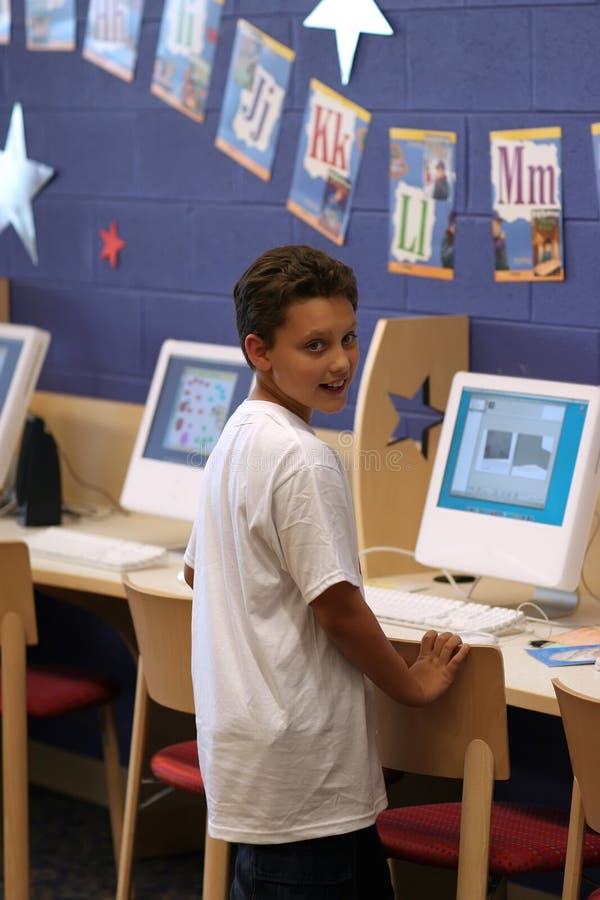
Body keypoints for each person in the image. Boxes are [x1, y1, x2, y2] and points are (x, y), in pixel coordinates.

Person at [183, 245, 470, 900]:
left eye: (347, 337)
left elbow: (202, 574)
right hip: (303, 775)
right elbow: (337, 611)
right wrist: (413, 686)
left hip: (260, 762)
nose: (340, 361)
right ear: (260, 351)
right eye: (315, 346)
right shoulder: (302, 458)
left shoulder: (237, 436)